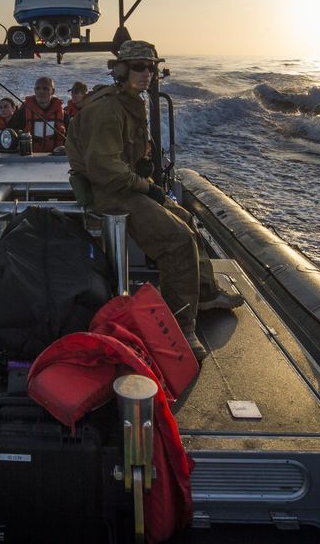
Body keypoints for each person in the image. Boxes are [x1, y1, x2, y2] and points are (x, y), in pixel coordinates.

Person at [65, 40, 243, 361]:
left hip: (127, 187)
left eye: (151, 67)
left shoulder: (132, 102)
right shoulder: (107, 110)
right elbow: (106, 169)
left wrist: (146, 186)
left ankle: (203, 294)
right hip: (110, 193)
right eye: (138, 67)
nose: (147, 73)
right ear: (121, 71)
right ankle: (179, 327)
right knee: (175, 241)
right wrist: (148, 189)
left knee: (187, 221)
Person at [8, 76, 66, 152]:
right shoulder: (24, 111)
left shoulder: (63, 113)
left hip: (56, 158)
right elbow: (10, 133)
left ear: (53, 91)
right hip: (30, 158)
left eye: (45, 88)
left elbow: (71, 138)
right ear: (34, 90)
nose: (41, 91)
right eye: (38, 88)